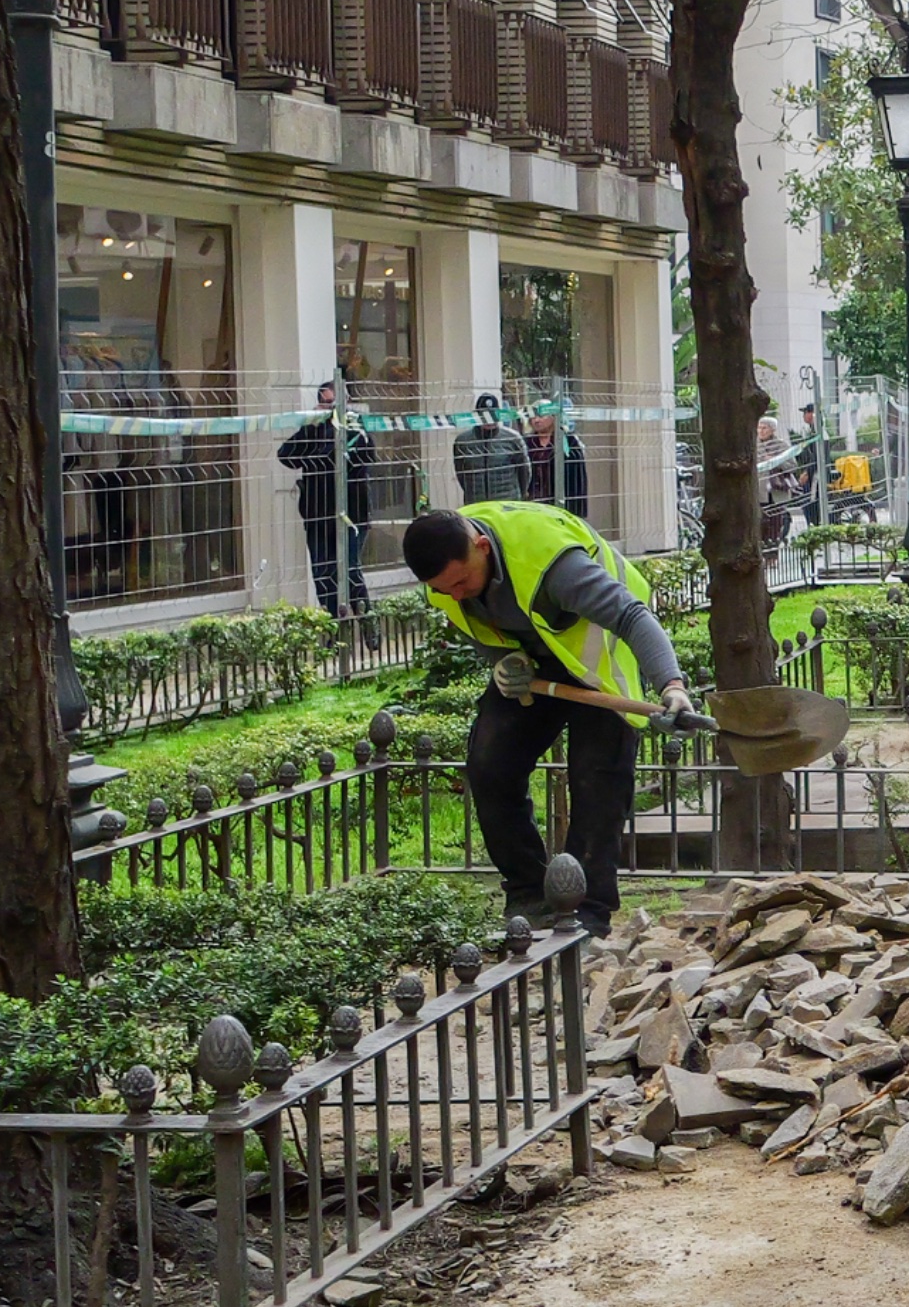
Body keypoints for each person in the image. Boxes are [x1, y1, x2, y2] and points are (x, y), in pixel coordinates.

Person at [403, 499, 693, 937]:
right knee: (490, 764)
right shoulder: (444, 580)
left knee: (597, 780)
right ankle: (528, 894)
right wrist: (502, 660)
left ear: (481, 546)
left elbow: (632, 616)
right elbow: (478, 622)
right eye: (446, 590)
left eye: (462, 582)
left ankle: (587, 911)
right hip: (536, 663)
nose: (456, 595)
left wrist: (671, 685)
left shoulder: (551, 563)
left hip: (599, 658)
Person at [277, 383, 375, 614]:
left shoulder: (357, 428)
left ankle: (366, 618)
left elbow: (360, 456)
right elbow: (285, 455)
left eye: (334, 404)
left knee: (349, 570)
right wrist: (314, 429)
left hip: (352, 514)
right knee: (322, 572)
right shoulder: (313, 428)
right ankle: (332, 625)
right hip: (317, 513)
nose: (329, 409)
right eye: (325, 403)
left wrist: (316, 455)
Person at [454, 393, 531, 504]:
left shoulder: (513, 438)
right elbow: (461, 473)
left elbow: (524, 472)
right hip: (476, 504)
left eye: (493, 415)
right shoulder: (463, 441)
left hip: (507, 504)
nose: (489, 420)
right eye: (484, 416)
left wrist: (520, 495)